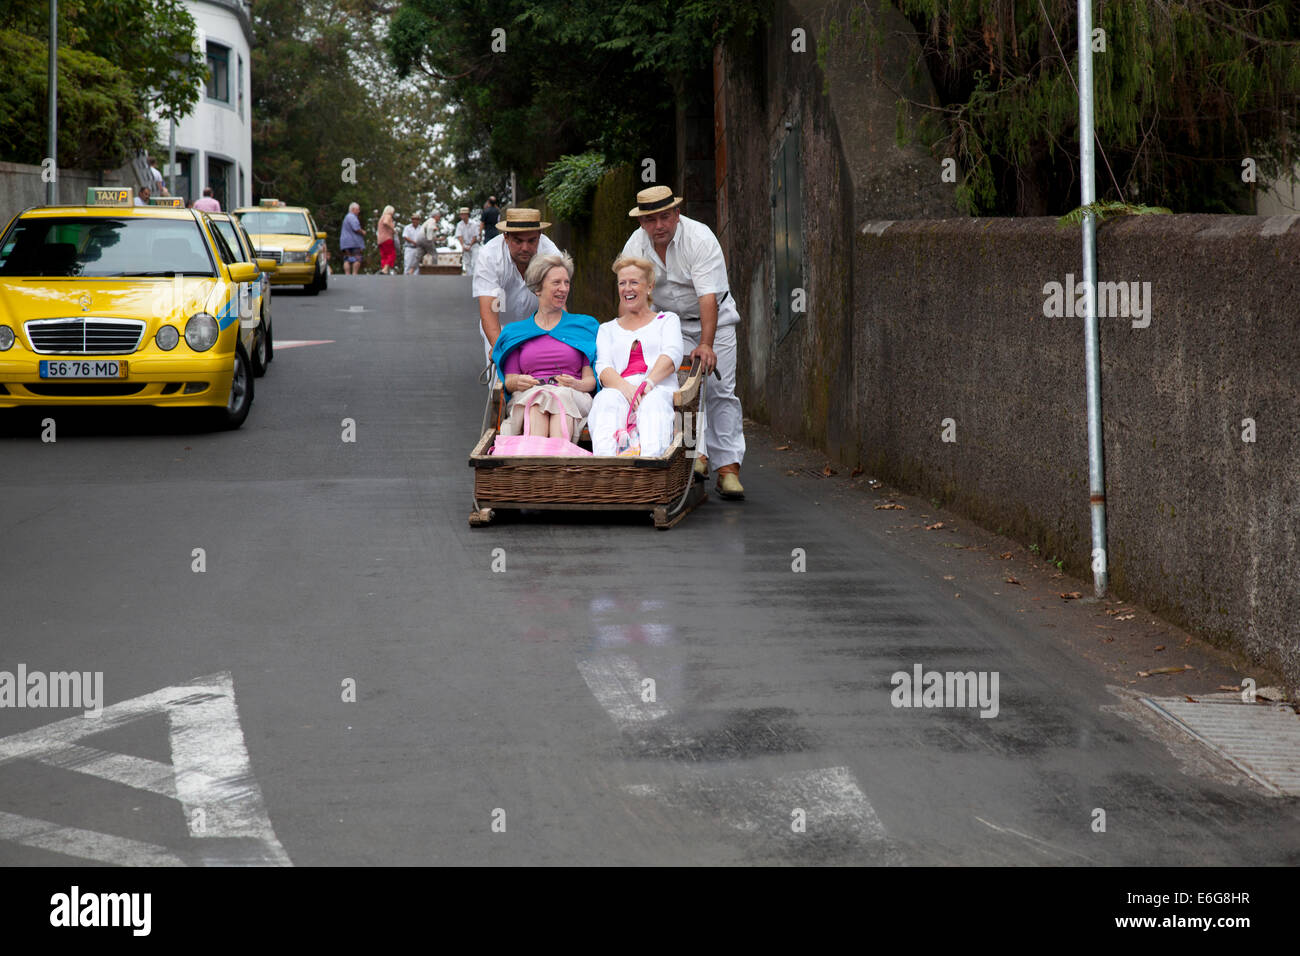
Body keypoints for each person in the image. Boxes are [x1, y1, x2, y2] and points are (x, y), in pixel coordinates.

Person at [621, 184, 746, 499]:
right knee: (675, 391)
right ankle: (695, 458)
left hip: (714, 320)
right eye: (651, 220)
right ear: (641, 223)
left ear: (677, 214)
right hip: (668, 322)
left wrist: (706, 344)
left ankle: (728, 468)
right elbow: (630, 295)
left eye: (665, 216)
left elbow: (708, 299)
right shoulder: (635, 245)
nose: (659, 225)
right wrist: (629, 339)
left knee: (719, 391)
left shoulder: (699, 238)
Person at [490, 252, 597, 440]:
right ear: (538, 288)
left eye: (567, 282)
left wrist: (576, 383)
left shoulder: (583, 326)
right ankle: (557, 461)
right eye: (556, 283)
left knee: (558, 397)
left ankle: (538, 462)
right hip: (530, 395)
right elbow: (509, 380)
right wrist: (517, 382)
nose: (563, 288)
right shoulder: (515, 332)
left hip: (573, 394)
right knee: (538, 400)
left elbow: (591, 380)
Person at [588, 256, 682, 457]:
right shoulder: (607, 329)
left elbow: (672, 354)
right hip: (621, 388)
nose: (627, 288)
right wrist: (627, 389)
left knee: (653, 403)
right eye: (622, 283)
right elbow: (603, 367)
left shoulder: (667, 321)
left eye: (634, 282)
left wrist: (646, 384)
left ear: (649, 287)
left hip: (657, 386)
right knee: (605, 400)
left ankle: (649, 469)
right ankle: (606, 469)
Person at [472, 207, 560, 365]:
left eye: (531, 241)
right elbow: (489, 309)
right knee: (502, 379)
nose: (525, 248)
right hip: (501, 326)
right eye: (518, 241)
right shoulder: (489, 256)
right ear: (506, 237)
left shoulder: (552, 255)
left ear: (540, 236)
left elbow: (557, 305)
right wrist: (499, 349)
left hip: (539, 325)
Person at [340, 202, 365, 275]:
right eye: (358, 209)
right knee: (357, 258)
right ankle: (354, 274)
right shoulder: (352, 217)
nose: (359, 211)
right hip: (353, 242)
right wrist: (363, 232)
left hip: (345, 243)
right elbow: (356, 228)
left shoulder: (346, 217)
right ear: (353, 209)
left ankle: (347, 274)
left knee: (347, 258)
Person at [454, 207, 480, 275]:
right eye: (461, 214)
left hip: (474, 245)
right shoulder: (459, 224)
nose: (462, 216)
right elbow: (459, 236)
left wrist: (470, 245)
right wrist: (463, 245)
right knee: (467, 262)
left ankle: (475, 277)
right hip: (465, 244)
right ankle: (469, 277)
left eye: (463, 214)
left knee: (475, 261)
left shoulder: (474, 223)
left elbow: (475, 236)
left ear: (467, 214)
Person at [377, 205, 397, 274]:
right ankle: (385, 269)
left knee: (384, 256)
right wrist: (393, 230)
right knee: (392, 254)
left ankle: (384, 270)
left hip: (380, 240)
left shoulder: (381, 218)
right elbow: (386, 222)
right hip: (387, 238)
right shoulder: (388, 216)